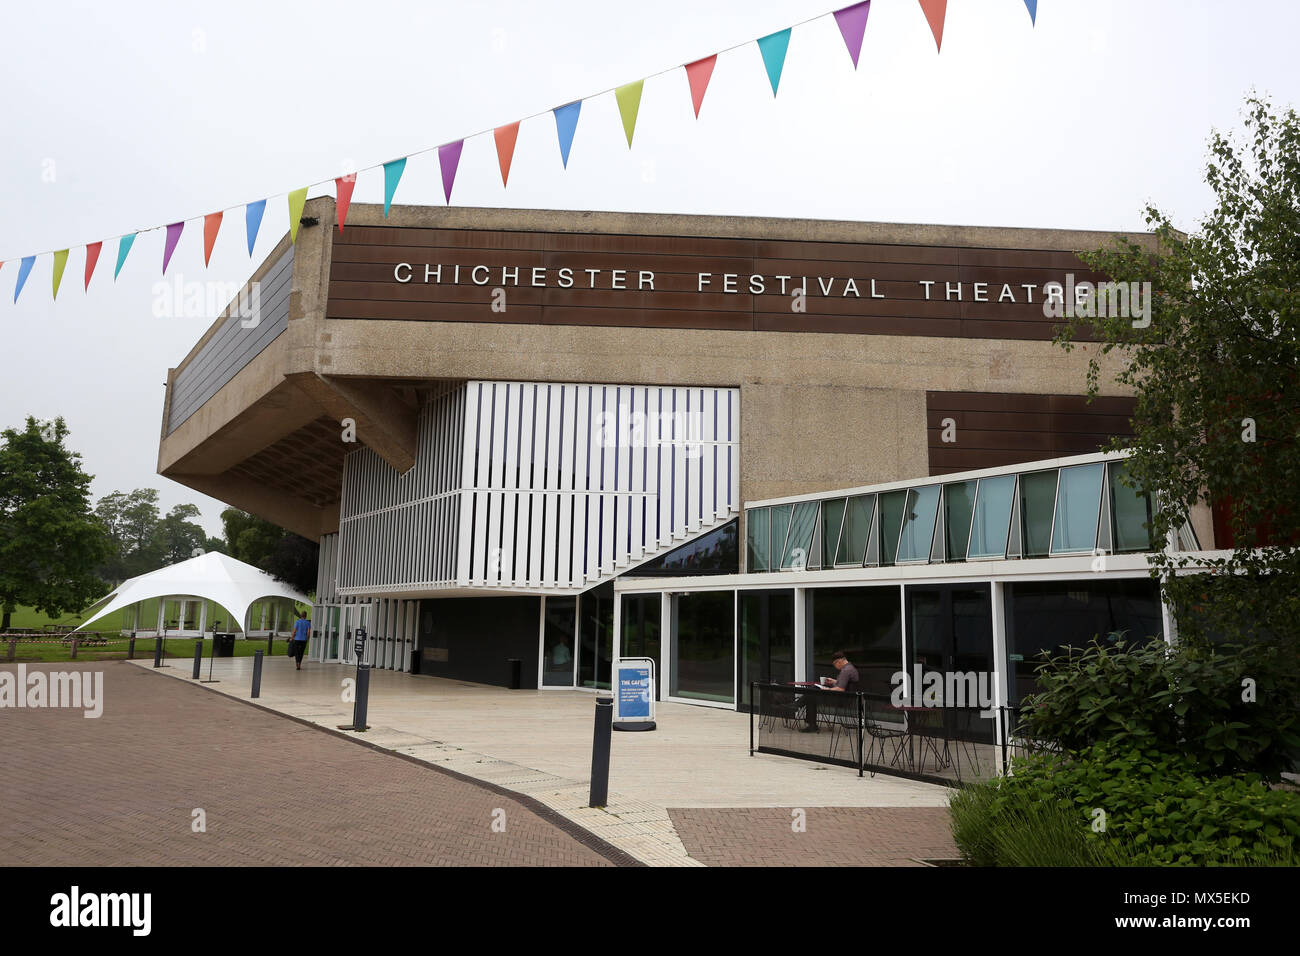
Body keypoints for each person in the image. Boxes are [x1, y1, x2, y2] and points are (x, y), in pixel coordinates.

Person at [799, 651, 860, 732]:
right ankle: (810, 723)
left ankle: (797, 708)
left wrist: (827, 689)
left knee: (812, 694)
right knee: (812, 692)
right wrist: (834, 681)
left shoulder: (846, 670)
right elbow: (845, 684)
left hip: (842, 699)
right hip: (846, 696)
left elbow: (840, 689)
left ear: (839, 661)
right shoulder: (850, 668)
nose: (835, 667)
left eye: (834, 664)